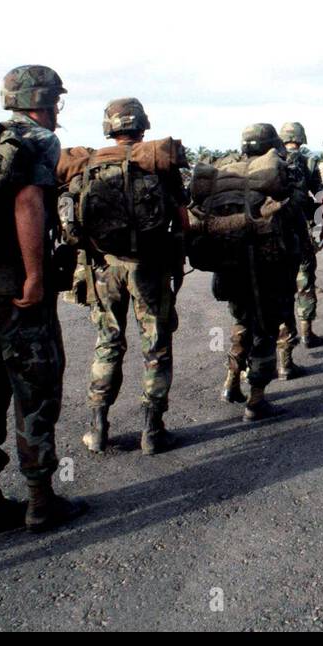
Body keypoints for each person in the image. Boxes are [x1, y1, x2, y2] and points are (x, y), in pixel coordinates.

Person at [0, 65, 86, 534]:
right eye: (55, 102)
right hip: (16, 292)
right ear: (44, 101)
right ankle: (39, 502)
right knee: (35, 389)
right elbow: (28, 204)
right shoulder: (36, 140)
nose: (55, 111)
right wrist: (33, 276)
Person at [81, 98, 186, 456]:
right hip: (150, 267)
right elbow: (183, 219)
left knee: (108, 344)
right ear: (142, 126)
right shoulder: (157, 161)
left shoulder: (91, 164)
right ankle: (152, 431)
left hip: (104, 268)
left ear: (109, 127)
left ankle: (97, 428)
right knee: (156, 346)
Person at [204, 124, 303, 419]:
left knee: (241, 322)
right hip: (268, 266)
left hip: (231, 264)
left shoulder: (226, 171)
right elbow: (296, 213)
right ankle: (256, 400)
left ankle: (231, 383)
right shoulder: (279, 172)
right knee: (266, 329)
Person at [275, 122, 323, 372]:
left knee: (280, 291)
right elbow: (320, 194)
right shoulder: (308, 160)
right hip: (299, 231)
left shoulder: (268, 159)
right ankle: (307, 332)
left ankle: (283, 360)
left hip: (271, 236)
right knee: (305, 281)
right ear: (301, 138)